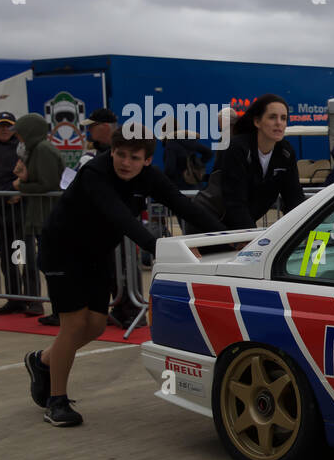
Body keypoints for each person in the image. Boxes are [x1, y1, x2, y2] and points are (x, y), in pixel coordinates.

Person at [26, 129, 223, 427]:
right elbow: (121, 217)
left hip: (96, 254)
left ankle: (42, 362)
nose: (125, 163)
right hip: (61, 252)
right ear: (112, 151)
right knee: (74, 323)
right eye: (120, 154)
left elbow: (183, 206)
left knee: (94, 326)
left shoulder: (150, 176)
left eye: (134, 157)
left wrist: (226, 238)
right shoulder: (95, 172)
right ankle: (57, 401)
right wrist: (161, 249)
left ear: (147, 160)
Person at [217, 94, 305, 229]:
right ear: (257, 121)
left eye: (284, 118)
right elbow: (234, 201)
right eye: (272, 117)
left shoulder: (285, 152)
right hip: (211, 225)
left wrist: (300, 231)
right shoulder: (237, 147)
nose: (279, 123)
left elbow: (294, 199)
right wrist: (250, 237)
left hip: (242, 229)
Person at [7, 114, 61, 317]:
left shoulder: (43, 150)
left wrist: (21, 186)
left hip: (47, 216)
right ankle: (57, 311)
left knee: (51, 266)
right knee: (45, 264)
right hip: (40, 215)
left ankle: (60, 312)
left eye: (20, 133)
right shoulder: (36, 150)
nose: (18, 137)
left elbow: (48, 184)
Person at [0, 112, 35, 313]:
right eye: (1, 125)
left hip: (19, 210)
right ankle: (15, 299)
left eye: (8, 126)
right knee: (7, 258)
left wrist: (16, 190)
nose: (4, 129)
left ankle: (31, 298)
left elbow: (28, 175)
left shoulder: (22, 148)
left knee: (22, 255)